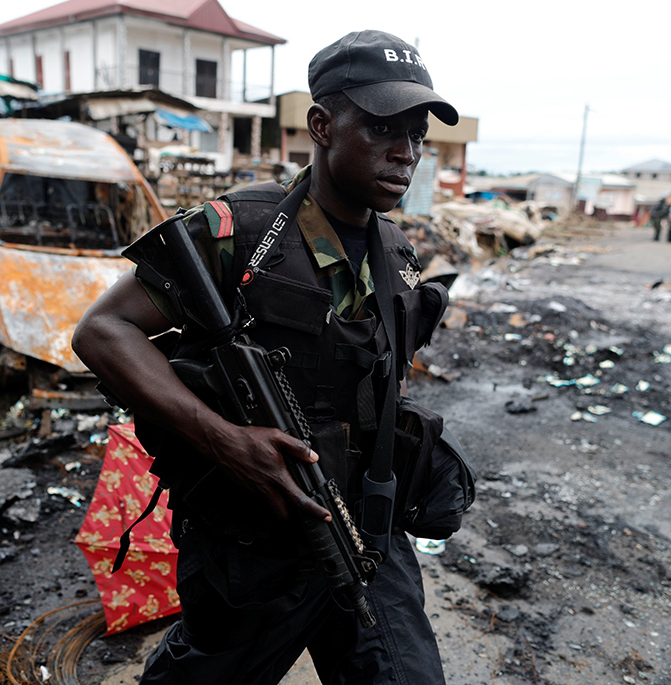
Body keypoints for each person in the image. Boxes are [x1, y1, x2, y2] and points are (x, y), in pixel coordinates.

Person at [72, 29, 459, 684]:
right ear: (322, 124)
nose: (406, 151)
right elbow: (103, 332)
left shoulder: (395, 252)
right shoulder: (239, 231)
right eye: (383, 127)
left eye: (418, 133)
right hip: (254, 550)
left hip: (367, 535)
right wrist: (225, 439)